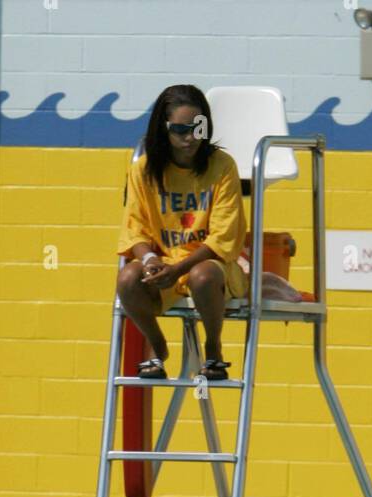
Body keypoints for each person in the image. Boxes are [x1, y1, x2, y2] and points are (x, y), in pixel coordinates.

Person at [116, 83, 303, 383]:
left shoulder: (221, 166)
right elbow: (134, 229)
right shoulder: (144, 169)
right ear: (163, 130)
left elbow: (223, 237)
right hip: (164, 263)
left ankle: (213, 345)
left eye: (198, 127)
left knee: (202, 276)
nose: (191, 137)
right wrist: (151, 260)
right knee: (127, 278)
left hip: (210, 267)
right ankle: (158, 345)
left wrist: (179, 268)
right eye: (180, 129)